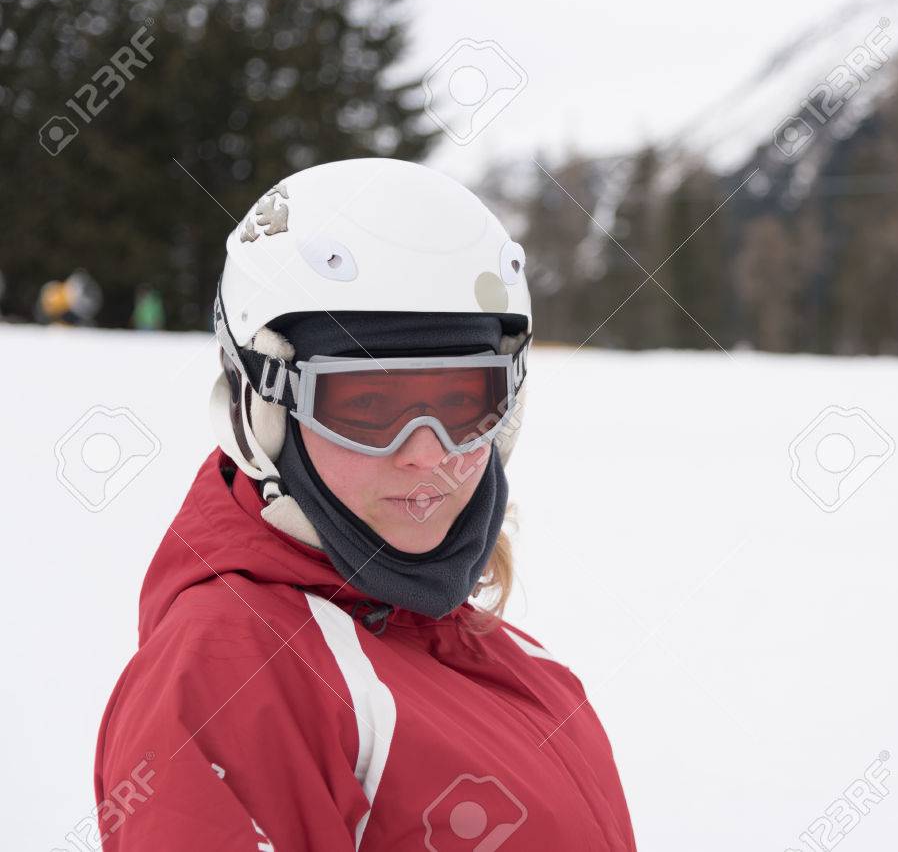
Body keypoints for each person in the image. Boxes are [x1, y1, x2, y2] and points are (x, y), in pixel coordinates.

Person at [93, 159, 637, 850]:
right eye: (368, 405)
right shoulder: (229, 675)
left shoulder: (473, 641)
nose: (426, 454)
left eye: (465, 404)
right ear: (266, 412)